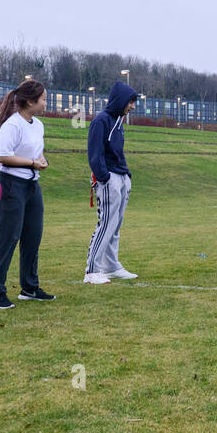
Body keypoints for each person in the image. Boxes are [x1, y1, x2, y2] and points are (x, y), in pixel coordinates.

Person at [0, 79, 53, 308]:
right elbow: (2, 155)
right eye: (43, 99)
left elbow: (36, 154)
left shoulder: (38, 125)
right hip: (10, 186)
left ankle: (30, 287)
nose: (46, 102)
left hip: (32, 186)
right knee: (8, 238)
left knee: (33, 236)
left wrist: (40, 162)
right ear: (30, 101)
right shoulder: (12, 125)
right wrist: (32, 163)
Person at [84, 80, 141, 284]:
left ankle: (111, 266)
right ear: (121, 100)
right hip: (108, 179)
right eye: (130, 102)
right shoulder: (101, 121)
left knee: (115, 225)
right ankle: (92, 270)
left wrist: (126, 176)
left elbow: (118, 153)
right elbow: (95, 153)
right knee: (106, 223)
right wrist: (105, 177)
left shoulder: (118, 122)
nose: (132, 106)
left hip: (121, 177)